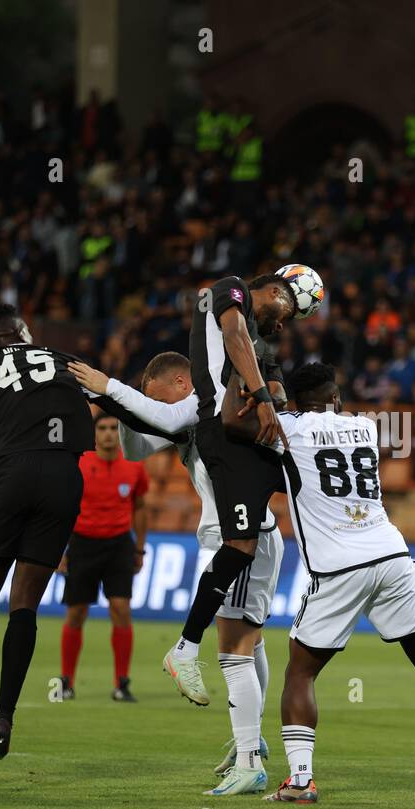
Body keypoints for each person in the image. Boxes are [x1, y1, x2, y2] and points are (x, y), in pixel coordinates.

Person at [223, 363, 415, 805]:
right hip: (391, 554)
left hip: (337, 566)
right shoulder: (363, 428)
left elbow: (233, 421)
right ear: (334, 397)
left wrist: (250, 376)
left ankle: (301, 780)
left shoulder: (289, 428)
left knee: (300, 672)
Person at [69, 352, 280, 795]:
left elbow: (159, 417)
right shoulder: (189, 419)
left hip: (239, 538)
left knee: (233, 651)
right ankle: (253, 742)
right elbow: (135, 446)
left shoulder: (208, 397)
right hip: (253, 535)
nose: (152, 403)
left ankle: (248, 762)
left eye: (155, 393)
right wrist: (116, 405)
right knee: (251, 640)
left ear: (183, 382)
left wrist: (108, 388)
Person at [0, 302, 94, 758]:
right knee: (25, 603)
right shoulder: (61, 359)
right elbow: (107, 395)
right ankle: (4, 714)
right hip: (65, 475)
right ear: (23, 331)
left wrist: (7, 483)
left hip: (10, 472)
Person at [155, 272, 296, 708]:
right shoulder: (229, 289)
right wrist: (262, 396)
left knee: (315, 490)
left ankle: (405, 589)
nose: (283, 325)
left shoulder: (261, 345)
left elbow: (277, 389)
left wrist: (269, 393)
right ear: (273, 292)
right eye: (289, 310)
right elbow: (232, 330)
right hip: (221, 431)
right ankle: (185, 649)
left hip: (243, 439)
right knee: (239, 547)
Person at [57, 411, 148, 703]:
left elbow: (141, 507)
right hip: (82, 543)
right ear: (95, 434)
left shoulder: (134, 467)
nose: (109, 433)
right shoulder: (79, 464)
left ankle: (122, 683)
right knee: (76, 613)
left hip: (119, 545)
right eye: (104, 428)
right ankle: (66, 682)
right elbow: (62, 508)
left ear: (119, 433)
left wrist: (139, 548)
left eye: (113, 428)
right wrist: (60, 550)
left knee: (121, 609)